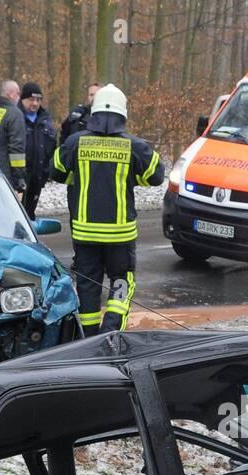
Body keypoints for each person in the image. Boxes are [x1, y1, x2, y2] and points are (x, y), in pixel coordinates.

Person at [50, 84, 165, 335]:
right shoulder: (135, 146)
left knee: (88, 286)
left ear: (94, 112)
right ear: (123, 115)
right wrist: (130, 178)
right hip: (119, 236)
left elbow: (56, 171)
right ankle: (110, 332)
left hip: (85, 235)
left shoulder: (75, 142)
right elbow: (156, 176)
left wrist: (78, 175)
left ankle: (88, 339)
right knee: (122, 282)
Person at [18, 82, 58, 219]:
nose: (35, 103)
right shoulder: (16, 118)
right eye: (31, 99)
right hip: (18, 179)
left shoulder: (45, 120)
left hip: (38, 178)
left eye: (38, 100)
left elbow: (52, 146)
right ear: (22, 99)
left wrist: (47, 172)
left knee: (30, 217)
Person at [0, 79, 27, 193]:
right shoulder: (15, 114)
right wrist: (19, 178)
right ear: (11, 94)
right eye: (18, 94)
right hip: (5, 175)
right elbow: (16, 149)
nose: (19, 97)